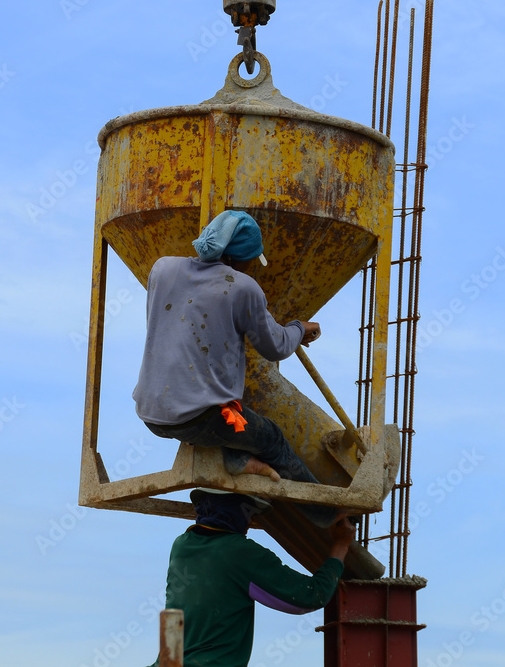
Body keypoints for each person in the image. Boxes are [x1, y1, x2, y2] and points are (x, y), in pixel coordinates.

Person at [132, 210, 338, 527]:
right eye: (250, 259)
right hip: (200, 419)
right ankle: (328, 515)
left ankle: (238, 457)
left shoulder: (162, 269)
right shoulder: (242, 287)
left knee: (220, 423)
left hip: (150, 413)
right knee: (270, 437)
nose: (251, 265)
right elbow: (276, 346)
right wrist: (299, 328)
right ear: (238, 258)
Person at [147, 489, 356, 667]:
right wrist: (340, 546)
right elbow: (311, 595)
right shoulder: (241, 553)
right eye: (248, 513)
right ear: (236, 512)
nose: (250, 522)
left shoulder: (181, 545)